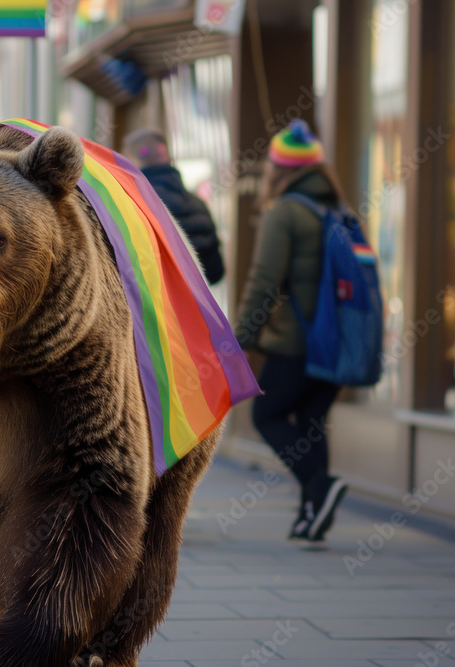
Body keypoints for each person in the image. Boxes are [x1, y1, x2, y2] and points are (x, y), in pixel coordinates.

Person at [234, 120, 349, 544]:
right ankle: (310, 518)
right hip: (336, 341)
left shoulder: (284, 212)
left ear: (278, 169)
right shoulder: (338, 209)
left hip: (297, 341)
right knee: (312, 422)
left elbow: (263, 282)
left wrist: (239, 342)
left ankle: (321, 485)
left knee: (267, 415)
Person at [123, 128, 225, 284]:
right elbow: (215, 273)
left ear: (133, 162)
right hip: (191, 299)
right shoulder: (199, 206)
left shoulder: (131, 205)